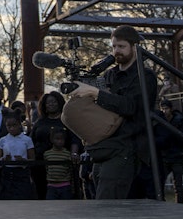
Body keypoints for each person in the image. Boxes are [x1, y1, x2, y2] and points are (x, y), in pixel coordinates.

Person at [68, 25, 158, 200]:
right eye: (114, 46)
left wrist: (95, 93)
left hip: (126, 148)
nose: (117, 51)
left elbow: (131, 107)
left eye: (122, 46)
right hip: (104, 147)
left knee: (108, 207)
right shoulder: (110, 75)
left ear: (134, 47)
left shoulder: (145, 76)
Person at [29, 91, 78, 199]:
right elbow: (31, 141)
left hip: (60, 165)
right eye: (48, 102)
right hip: (40, 164)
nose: (51, 104)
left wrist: (74, 153)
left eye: (54, 102)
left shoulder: (66, 121)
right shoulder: (40, 122)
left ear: (59, 103)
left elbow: (75, 139)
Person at [154, 98, 183, 204]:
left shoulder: (179, 121)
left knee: (178, 184)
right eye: (162, 109)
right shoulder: (160, 120)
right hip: (165, 156)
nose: (165, 111)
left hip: (177, 156)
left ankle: (179, 204)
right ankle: (161, 202)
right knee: (160, 183)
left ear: (171, 109)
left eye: (166, 109)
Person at [0, 116, 36, 199]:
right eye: (9, 126)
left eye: (14, 125)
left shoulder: (27, 140)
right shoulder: (3, 140)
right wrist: (4, 159)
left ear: (19, 125)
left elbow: (32, 159)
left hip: (22, 174)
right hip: (7, 173)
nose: (12, 128)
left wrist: (23, 160)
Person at [43, 128, 74, 200]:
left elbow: (70, 170)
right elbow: (47, 168)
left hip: (65, 185)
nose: (60, 141)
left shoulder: (67, 154)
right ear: (52, 140)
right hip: (51, 186)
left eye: (62, 139)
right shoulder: (47, 154)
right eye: (57, 139)